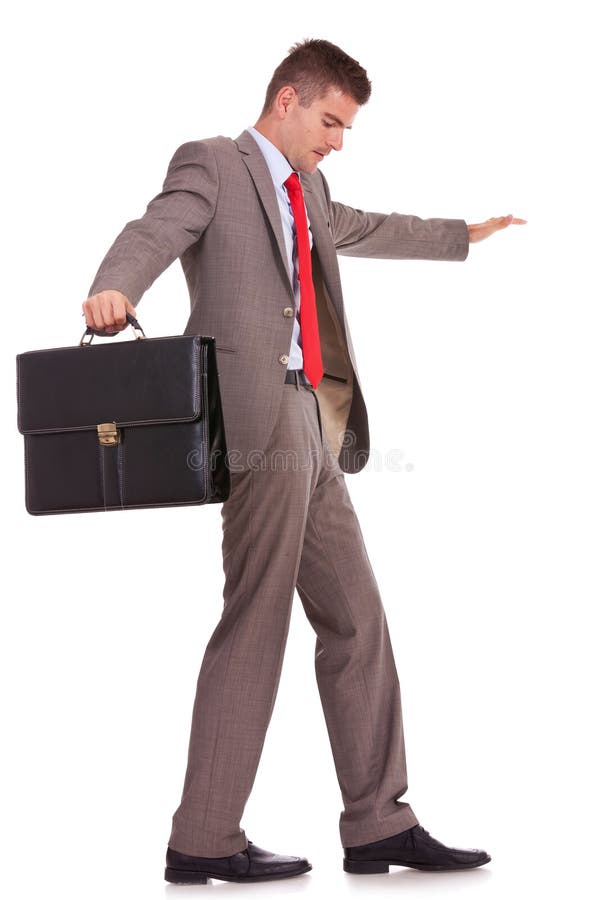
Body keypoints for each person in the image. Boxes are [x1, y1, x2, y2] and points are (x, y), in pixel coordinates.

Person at [83, 38, 526, 885]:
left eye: (347, 128)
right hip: (256, 414)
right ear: (286, 99)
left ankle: (378, 824)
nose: (337, 141)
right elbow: (155, 228)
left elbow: (365, 228)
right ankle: (204, 835)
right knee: (257, 616)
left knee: (356, 616)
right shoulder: (213, 162)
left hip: (313, 417)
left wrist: (463, 235)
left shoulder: (309, 188)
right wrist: (117, 288)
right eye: (330, 121)